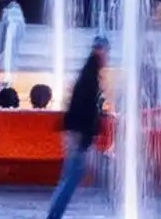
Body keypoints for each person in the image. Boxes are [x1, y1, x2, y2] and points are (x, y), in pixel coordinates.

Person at [47, 36, 107, 219]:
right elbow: (85, 108)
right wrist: (88, 134)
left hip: (76, 132)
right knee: (71, 177)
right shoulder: (90, 76)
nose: (106, 57)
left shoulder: (88, 73)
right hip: (78, 134)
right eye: (104, 51)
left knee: (69, 177)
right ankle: (54, 216)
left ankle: (54, 214)